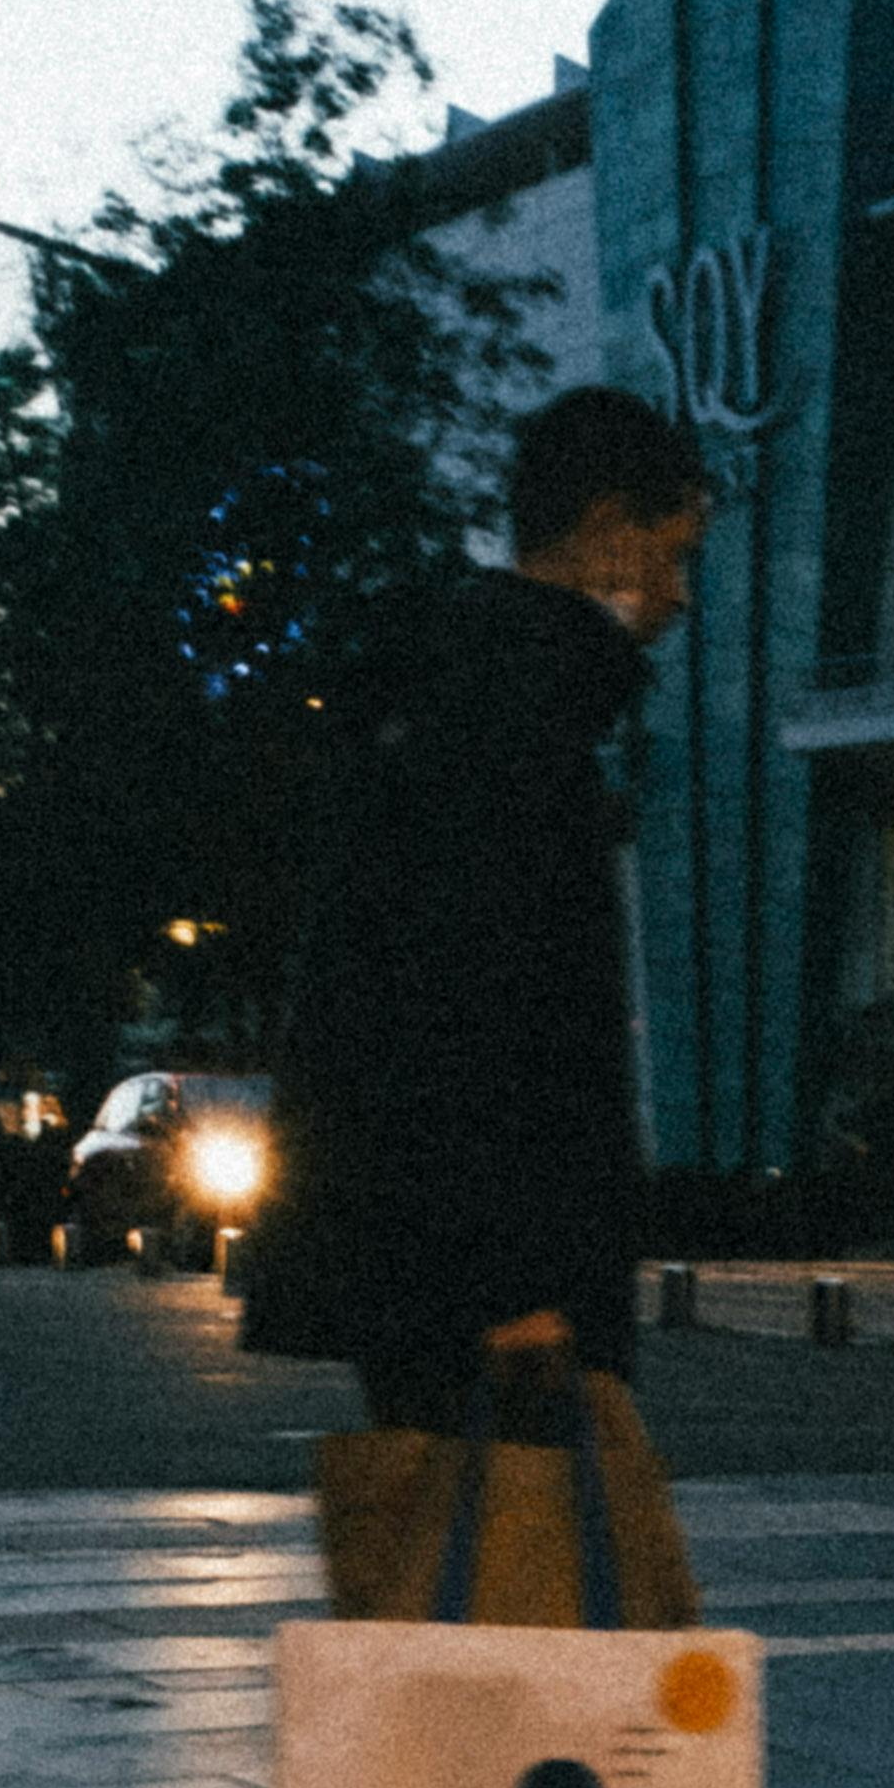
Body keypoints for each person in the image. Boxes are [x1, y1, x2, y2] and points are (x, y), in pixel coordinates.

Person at [234, 384, 709, 1436]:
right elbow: (474, 1007)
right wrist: (517, 1287)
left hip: (419, 1266)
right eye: (673, 553)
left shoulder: (458, 679)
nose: (680, 595)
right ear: (606, 531)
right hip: (479, 1286)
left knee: (452, 1522)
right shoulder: (514, 708)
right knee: (506, 1523)